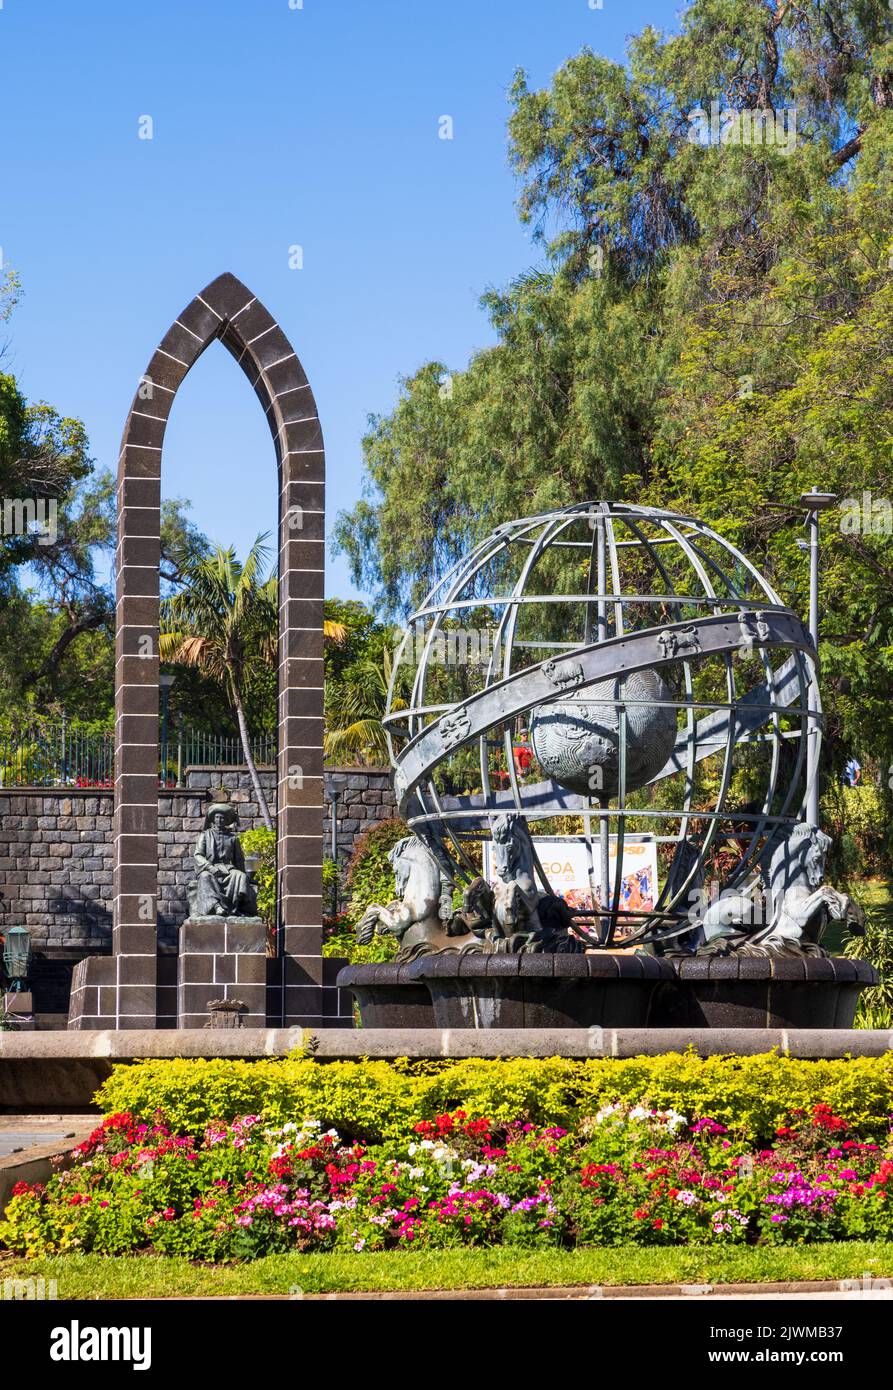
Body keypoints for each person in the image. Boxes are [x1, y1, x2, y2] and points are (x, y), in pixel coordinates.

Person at [187, 801, 258, 918]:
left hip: (228, 869)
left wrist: (245, 876)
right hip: (209, 868)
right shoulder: (205, 835)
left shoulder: (233, 838)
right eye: (217, 818)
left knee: (241, 876)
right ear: (213, 819)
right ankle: (216, 906)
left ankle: (236, 908)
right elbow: (198, 855)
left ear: (226, 820)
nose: (220, 820)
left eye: (222, 818)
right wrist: (209, 867)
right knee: (205, 877)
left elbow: (238, 860)